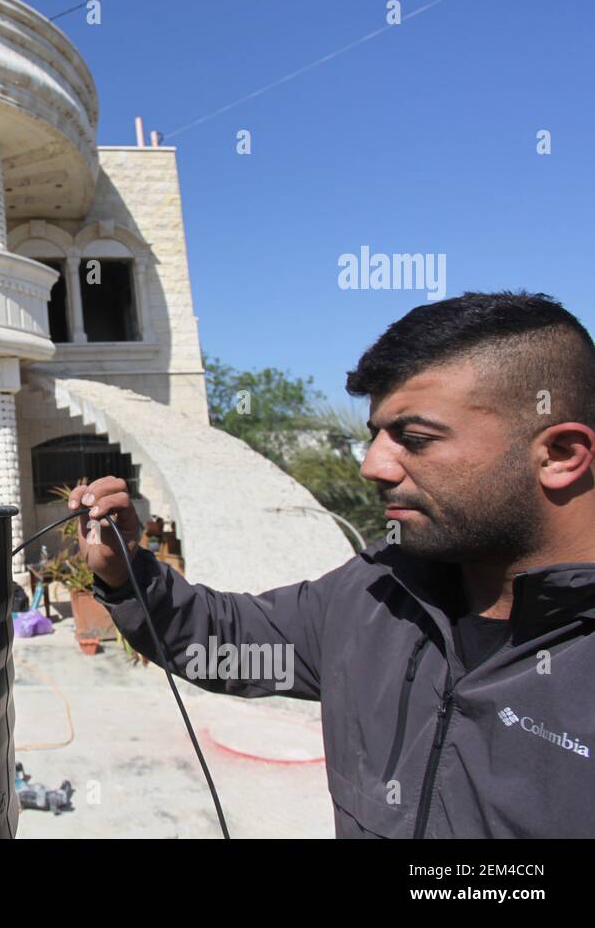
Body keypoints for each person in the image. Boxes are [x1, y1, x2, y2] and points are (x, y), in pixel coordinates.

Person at [70, 291, 595, 838]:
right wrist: (124, 569)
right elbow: (220, 642)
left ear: (558, 455)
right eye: (376, 436)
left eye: (414, 439)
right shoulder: (378, 592)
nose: (373, 465)